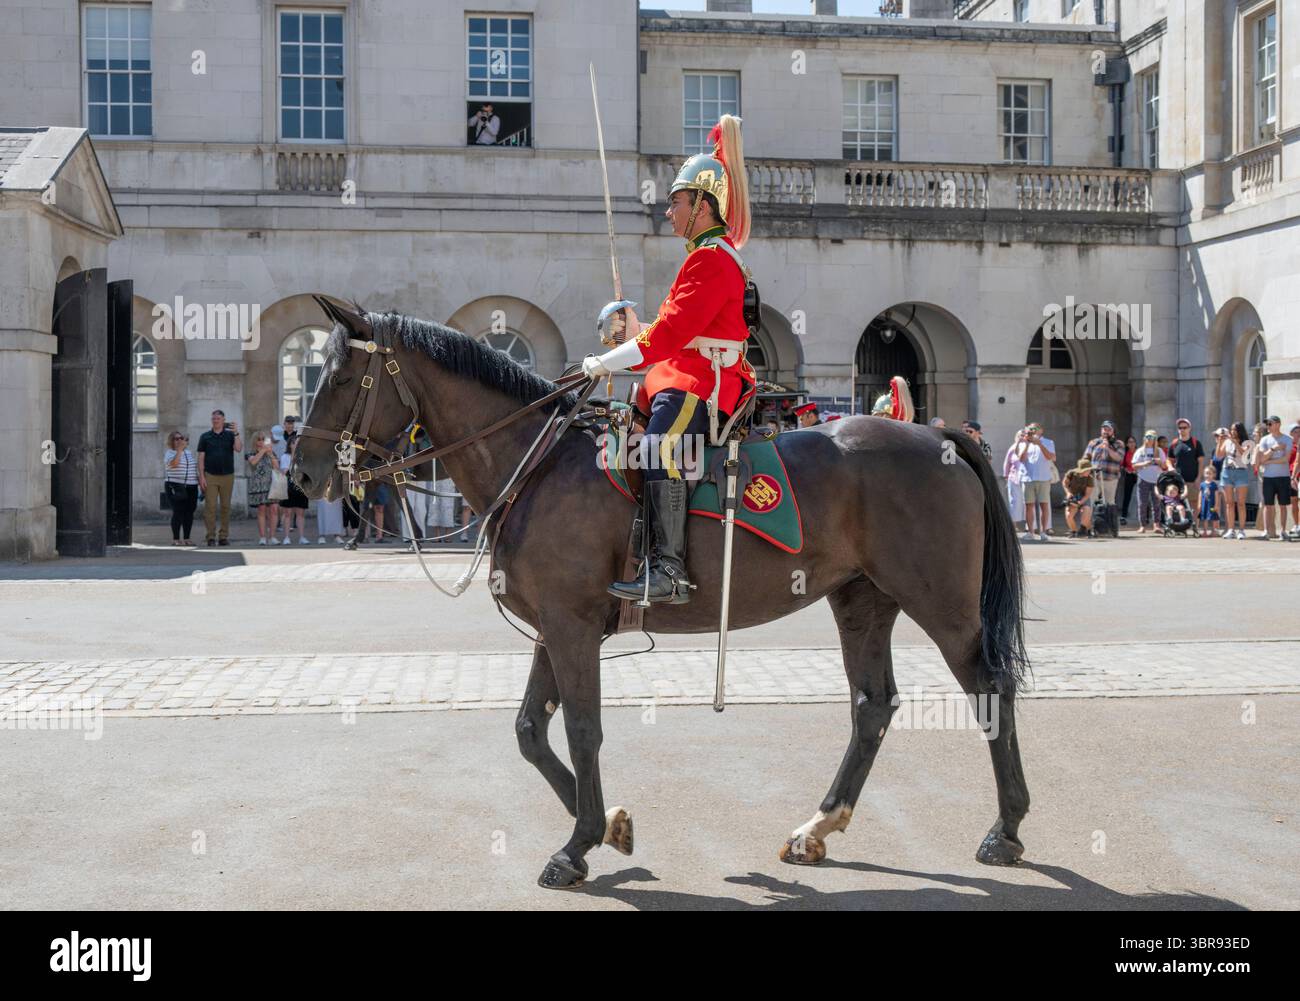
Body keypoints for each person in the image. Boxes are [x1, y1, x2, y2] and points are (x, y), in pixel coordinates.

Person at [582, 115, 754, 604]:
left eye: (676, 202)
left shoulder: (712, 259)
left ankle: (670, 570)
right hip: (681, 372)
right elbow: (665, 334)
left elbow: (667, 340)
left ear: (702, 204)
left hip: (701, 383)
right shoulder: (702, 256)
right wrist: (629, 329)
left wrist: (603, 363)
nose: (669, 213)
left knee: (659, 447)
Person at [196, 409, 241, 546]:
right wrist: (201, 477)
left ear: (223, 420)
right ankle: (210, 536)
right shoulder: (205, 437)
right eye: (213, 418)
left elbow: (238, 449)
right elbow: (201, 458)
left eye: (218, 419)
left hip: (227, 475)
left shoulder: (230, 435)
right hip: (210, 475)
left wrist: (236, 433)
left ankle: (223, 536)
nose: (215, 421)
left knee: (226, 507)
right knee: (210, 507)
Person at [1015, 422, 1056, 542]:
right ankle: (1031, 532)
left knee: (1044, 505)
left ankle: (1043, 532)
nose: (1032, 431)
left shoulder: (1048, 442)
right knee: (1029, 506)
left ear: (1041, 430)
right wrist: (1027, 444)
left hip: (1043, 478)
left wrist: (1040, 444)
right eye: (1030, 429)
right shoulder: (1024, 443)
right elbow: (1021, 459)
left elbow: (1051, 457)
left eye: (1035, 429)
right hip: (1028, 478)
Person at [1256, 415, 1294, 541]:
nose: (1268, 426)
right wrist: (1274, 449)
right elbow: (1261, 459)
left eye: (1270, 424)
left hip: (1283, 477)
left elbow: (1286, 459)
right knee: (1268, 505)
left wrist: (1269, 460)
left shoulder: (1288, 439)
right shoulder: (1264, 440)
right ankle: (1267, 531)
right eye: (1267, 424)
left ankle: (1283, 531)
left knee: (1283, 505)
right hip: (1268, 477)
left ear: (1278, 424)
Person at [1216, 421, 1254, 540]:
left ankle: (1241, 530)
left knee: (1241, 503)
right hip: (1227, 471)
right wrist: (1220, 441)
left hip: (1240, 472)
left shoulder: (1248, 442)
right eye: (1231, 429)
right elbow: (1219, 455)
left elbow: (1245, 457)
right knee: (1229, 503)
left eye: (1235, 430)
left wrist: (1235, 442)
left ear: (1240, 431)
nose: (1232, 432)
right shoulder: (1227, 441)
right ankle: (1231, 529)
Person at [163, 431, 199, 546]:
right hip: (175, 485)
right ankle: (176, 539)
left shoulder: (188, 453)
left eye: (181, 438)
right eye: (176, 439)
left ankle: (187, 538)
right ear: (171, 441)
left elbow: (194, 468)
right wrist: (179, 450)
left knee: (189, 513)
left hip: (191, 486)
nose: (179, 440)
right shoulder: (169, 453)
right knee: (178, 512)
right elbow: (174, 464)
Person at [244, 431, 280, 545]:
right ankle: (263, 538)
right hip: (258, 486)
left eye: (263, 439)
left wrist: (270, 454)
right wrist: (263, 451)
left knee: (274, 509)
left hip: (271, 485)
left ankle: (273, 537)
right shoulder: (250, 453)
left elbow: (277, 467)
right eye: (258, 439)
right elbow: (253, 462)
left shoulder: (270, 452)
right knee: (262, 510)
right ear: (255, 441)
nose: (260, 441)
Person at [1083, 420, 1124, 510]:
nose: (1106, 431)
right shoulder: (1093, 442)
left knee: (1109, 504)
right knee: (1092, 503)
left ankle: (1108, 523)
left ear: (1113, 431)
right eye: (1104, 429)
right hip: (1094, 478)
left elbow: (1119, 458)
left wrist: (1108, 447)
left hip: (1110, 478)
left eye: (1108, 429)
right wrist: (1085, 470)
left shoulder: (1118, 444)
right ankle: (1094, 523)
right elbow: (1085, 459)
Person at [1131, 430, 1167, 534]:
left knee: (1156, 504)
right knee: (1142, 504)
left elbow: (1165, 467)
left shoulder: (1159, 451)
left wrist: (1160, 462)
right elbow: (1133, 465)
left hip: (1156, 480)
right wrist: (1144, 463)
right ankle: (1142, 526)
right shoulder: (1140, 451)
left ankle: (1156, 525)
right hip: (1143, 479)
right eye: (1147, 437)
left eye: (1151, 437)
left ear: (1155, 439)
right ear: (1144, 438)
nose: (1149, 439)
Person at [277, 437, 311, 544]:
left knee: (300, 513)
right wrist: (293, 457)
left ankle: (302, 537)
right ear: (289, 445)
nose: (295, 445)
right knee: (287, 513)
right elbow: (285, 471)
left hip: (300, 487)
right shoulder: (284, 457)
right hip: (288, 487)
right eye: (293, 443)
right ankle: (286, 537)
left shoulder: (303, 457)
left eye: (297, 443)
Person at [1167, 418, 1206, 492]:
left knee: (1194, 503)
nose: (1182, 430)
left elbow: (1201, 462)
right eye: (1180, 428)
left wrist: (1198, 478)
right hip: (1178, 482)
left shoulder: (1196, 443)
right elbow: (1169, 459)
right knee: (1178, 503)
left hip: (1193, 482)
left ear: (1189, 429)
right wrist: (1170, 467)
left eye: (1184, 427)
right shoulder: (1174, 444)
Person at [1061, 457, 1094, 538]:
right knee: (1069, 515)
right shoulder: (1071, 473)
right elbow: (1065, 483)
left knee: (1086, 511)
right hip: (1073, 495)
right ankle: (1074, 531)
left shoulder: (1090, 478)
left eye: (1089, 469)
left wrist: (1080, 502)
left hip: (1083, 496)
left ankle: (1086, 529)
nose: (1089, 471)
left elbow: (1087, 494)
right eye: (1087, 470)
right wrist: (1068, 493)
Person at [1002, 437, 1028, 532]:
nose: (1022, 437)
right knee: (1014, 502)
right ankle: (1013, 525)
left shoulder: (1031, 447)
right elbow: (1007, 462)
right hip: (1014, 478)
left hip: (1027, 478)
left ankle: (1029, 526)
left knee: (1028, 503)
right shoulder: (1013, 448)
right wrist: (1006, 475)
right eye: (1019, 435)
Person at [1118, 434, 1138, 525]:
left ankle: (1145, 517)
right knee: (1127, 496)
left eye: (1133, 442)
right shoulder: (1125, 453)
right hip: (1129, 475)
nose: (1132, 444)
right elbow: (1121, 465)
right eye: (1130, 442)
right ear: (1126, 444)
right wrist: (1127, 469)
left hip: (1139, 474)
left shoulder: (1139, 451)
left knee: (1143, 495)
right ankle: (1123, 516)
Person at [1196, 465, 1221, 540]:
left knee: (1213, 517)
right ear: (1204, 474)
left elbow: (1216, 495)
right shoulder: (1202, 484)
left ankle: (1213, 530)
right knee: (1204, 518)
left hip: (1212, 505)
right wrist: (1199, 503)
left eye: (1210, 473)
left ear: (1213, 475)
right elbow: (1200, 494)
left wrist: (1216, 504)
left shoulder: (1214, 484)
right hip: (1204, 505)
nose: (1208, 475)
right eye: (1206, 473)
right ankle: (1205, 531)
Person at [1289, 422, 1300, 539]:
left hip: (1297, 476)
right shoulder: (1289, 446)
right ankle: (1296, 524)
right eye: (1295, 432)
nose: (1298, 434)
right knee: (1294, 502)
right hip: (1292, 476)